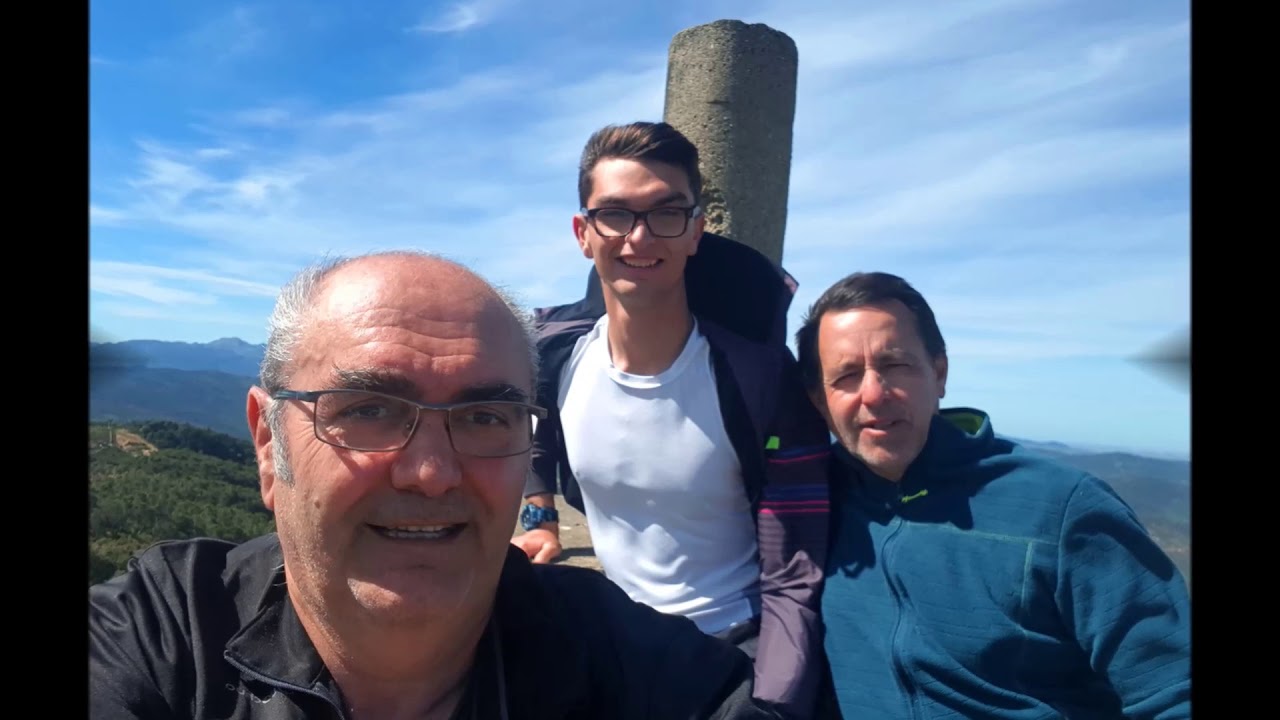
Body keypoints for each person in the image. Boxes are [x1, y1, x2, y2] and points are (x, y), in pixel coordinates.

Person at [88, 251, 783, 720]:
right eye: (367, 410)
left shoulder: (634, 668)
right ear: (269, 444)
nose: (430, 473)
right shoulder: (168, 635)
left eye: (484, 417)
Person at [509, 121, 833, 719]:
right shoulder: (557, 355)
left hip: (733, 651)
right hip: (612, 638)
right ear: (583, 233)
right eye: (615, 214)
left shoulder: (761, 381)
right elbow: (537, 435)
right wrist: (540, 518)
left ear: (695, 231)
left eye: (666, 212)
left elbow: (796, 570)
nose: (639, 236)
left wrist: (773, 703)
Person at [796, 270, 1192, 719]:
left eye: (895, 365)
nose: (873, 393)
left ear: (939, 373)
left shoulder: (1061, 508)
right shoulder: (807, 506)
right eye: (846, 375)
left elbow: (1174, 689)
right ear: (818, 401)